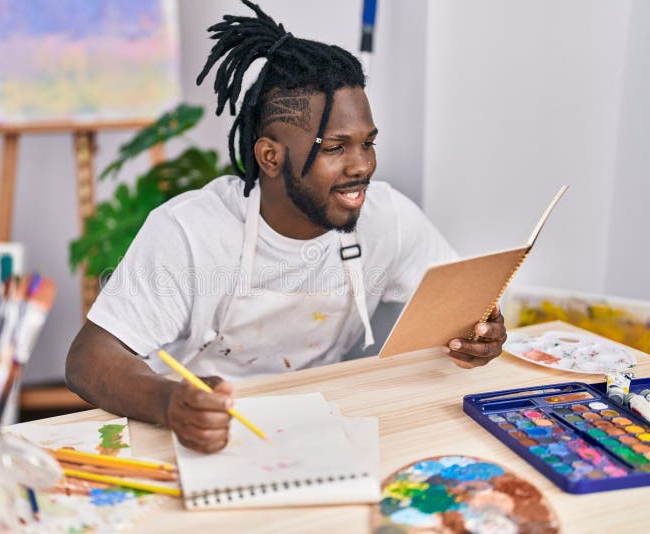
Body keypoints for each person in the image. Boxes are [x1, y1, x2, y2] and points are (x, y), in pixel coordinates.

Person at [66, 0, 507, 454]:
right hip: (205, 435)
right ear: (270, 157)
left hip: (321, 427)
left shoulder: (386, 217)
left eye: (368, 143)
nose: (362, 166)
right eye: (335, 148)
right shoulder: (191, 232)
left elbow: (463, 304)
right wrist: (172, 403)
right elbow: (87, 359)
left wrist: (480, 333)